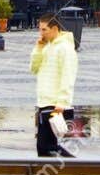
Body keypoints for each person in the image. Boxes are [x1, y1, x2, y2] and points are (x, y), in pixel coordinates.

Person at [29, 16, 78, 157]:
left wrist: (62, 102)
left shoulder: (65, 48)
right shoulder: (46, 46)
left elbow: (68, 76)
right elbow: (33, 68)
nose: (41, 33)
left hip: (56, 104)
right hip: (44, 102)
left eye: (44, 30)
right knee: (43, 148)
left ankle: (75, 167)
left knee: (46, 146)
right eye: (40, 29)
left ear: (55, 29)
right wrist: (38, 48)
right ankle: (63, 172)